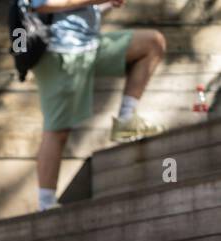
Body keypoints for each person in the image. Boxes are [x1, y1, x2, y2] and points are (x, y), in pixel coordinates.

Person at [31, 0, 168, 211]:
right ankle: (45, 205)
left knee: (152, 43)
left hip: (90, 46)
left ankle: (126, 119)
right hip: (59, 53)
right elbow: (42, 3)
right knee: (57, 131)